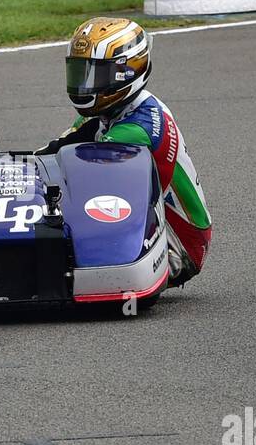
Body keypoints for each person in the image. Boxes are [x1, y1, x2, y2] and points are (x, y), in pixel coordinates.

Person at [38, 17, 211, 285]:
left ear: (126, 72)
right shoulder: (105, 112)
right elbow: (52, 154)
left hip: (179, 241)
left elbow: (78, 168)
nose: (86, 84)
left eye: (95, 74)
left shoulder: (139, 127)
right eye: (80, 72)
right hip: (143, 222)